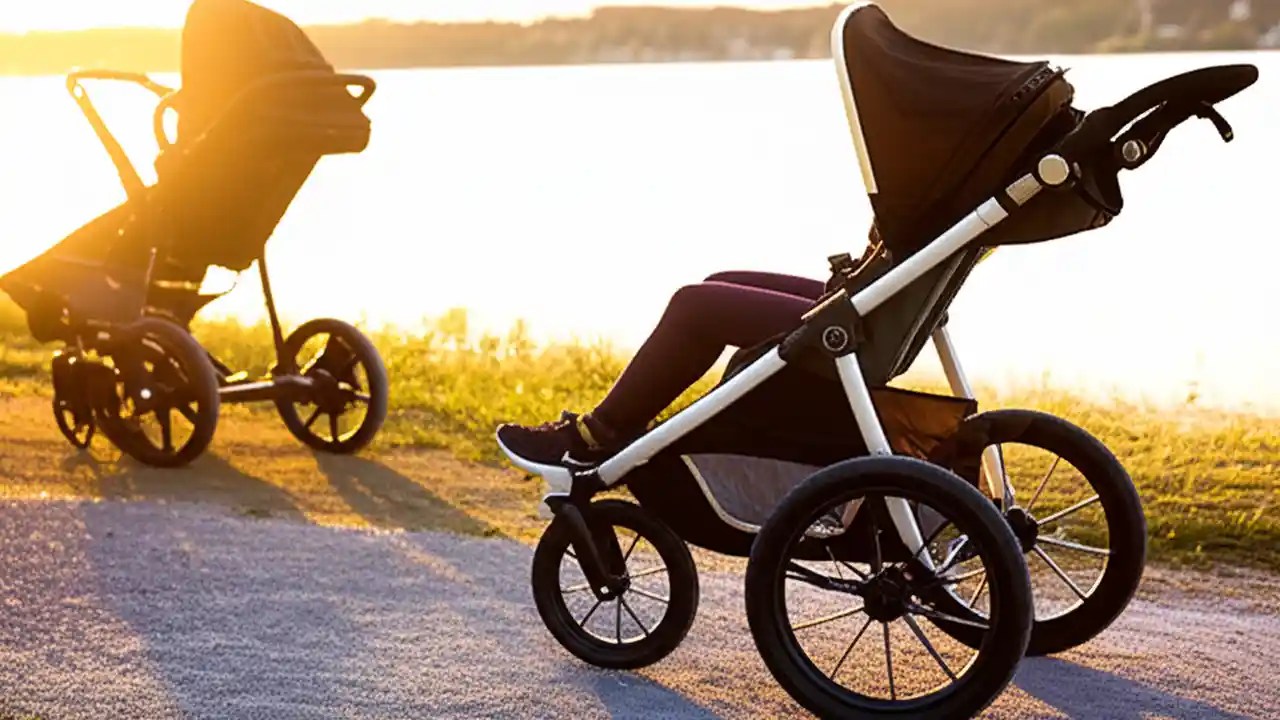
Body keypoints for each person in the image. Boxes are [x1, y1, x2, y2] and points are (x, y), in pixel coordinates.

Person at [495, 269, 828, 468]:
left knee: (695, 307)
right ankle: (632, 425)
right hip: (871, 295)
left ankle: (596, 435)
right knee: (717, 285)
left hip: (872, 326)